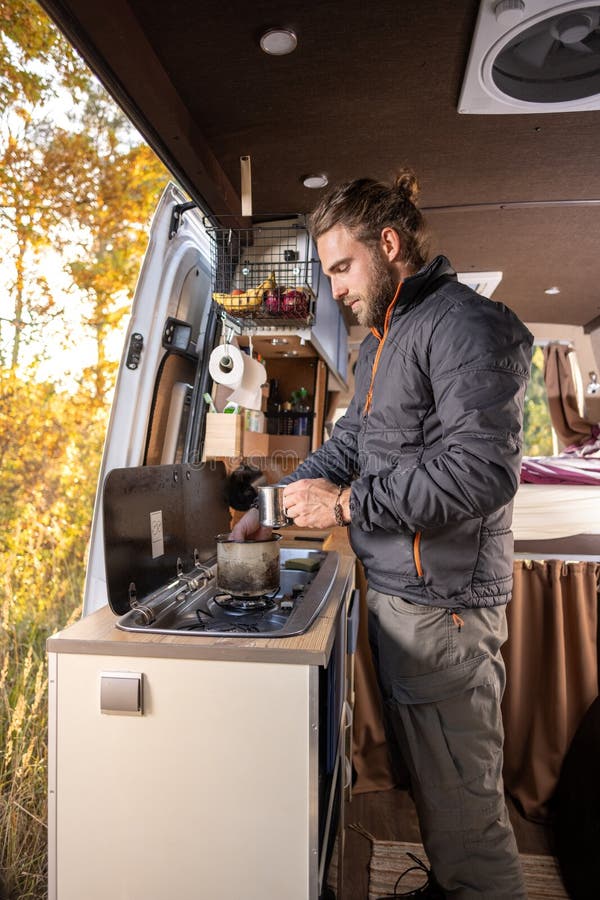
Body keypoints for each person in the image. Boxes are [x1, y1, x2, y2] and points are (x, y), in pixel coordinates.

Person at [231, 170, 532, 898]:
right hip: (402, 600)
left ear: (389, 244)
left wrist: (344, 506)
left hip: (445, 609)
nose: (333, 289)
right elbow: (350, 445)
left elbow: (481, 473)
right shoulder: (380, 345)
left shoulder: (464, 325)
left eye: (340, 267)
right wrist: (273, 502)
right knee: (433, 786)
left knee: (469, 817)